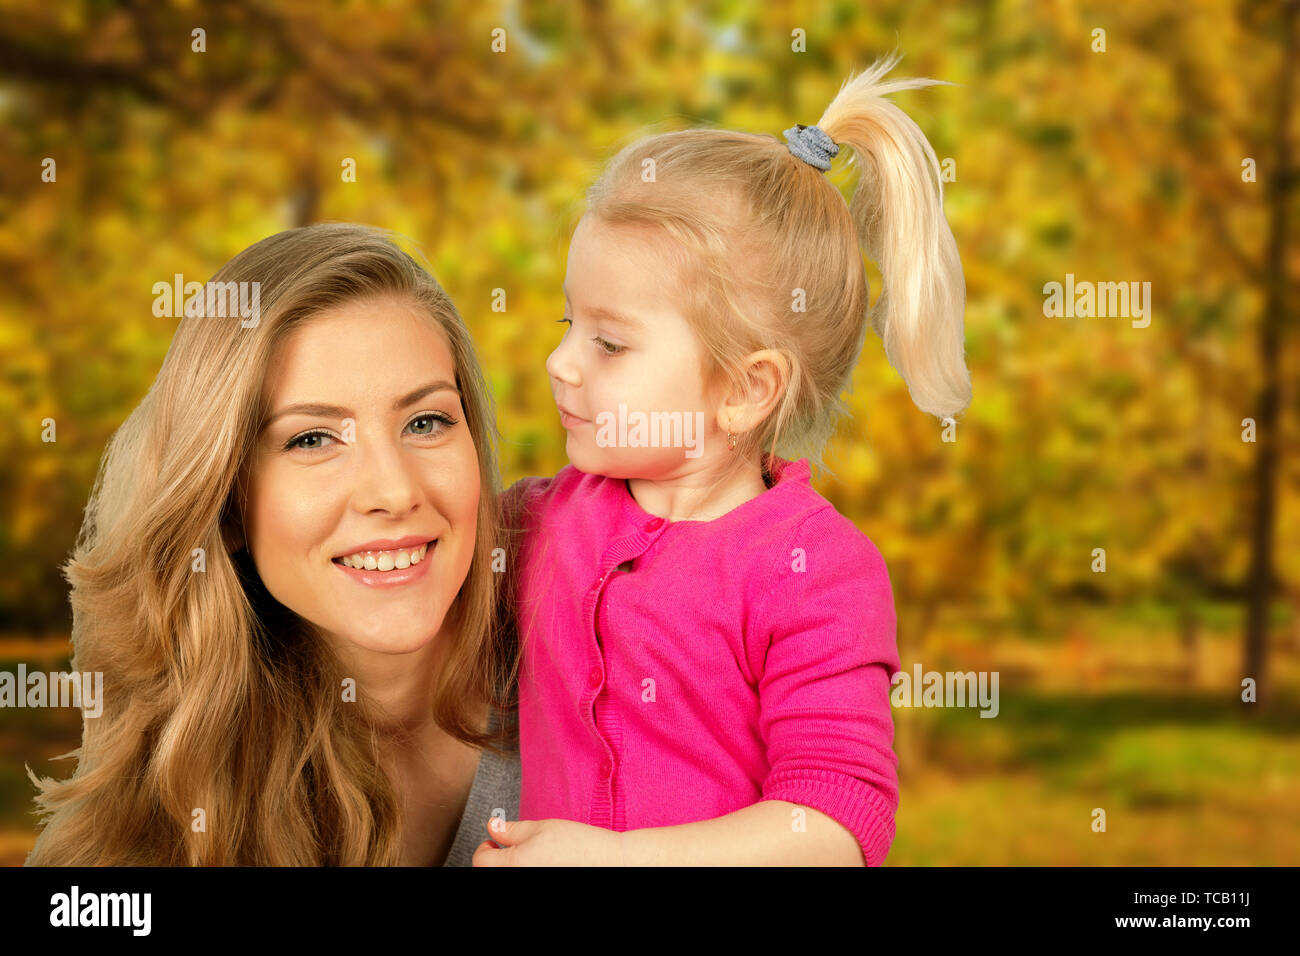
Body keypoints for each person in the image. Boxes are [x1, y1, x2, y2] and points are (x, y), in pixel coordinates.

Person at [477, 51, 970, 866]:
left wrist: (605, 860)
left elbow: (834, 823)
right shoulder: (538, 523)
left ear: (744, 390)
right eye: (566, 324)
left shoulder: (815, 573)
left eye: (609, 341)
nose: (561, 364)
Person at [26, 223, 519, 866]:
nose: (395, 492)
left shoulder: (607, 690)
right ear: (226, 503)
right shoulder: (144, 822)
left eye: (425, 422)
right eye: (312, 439)